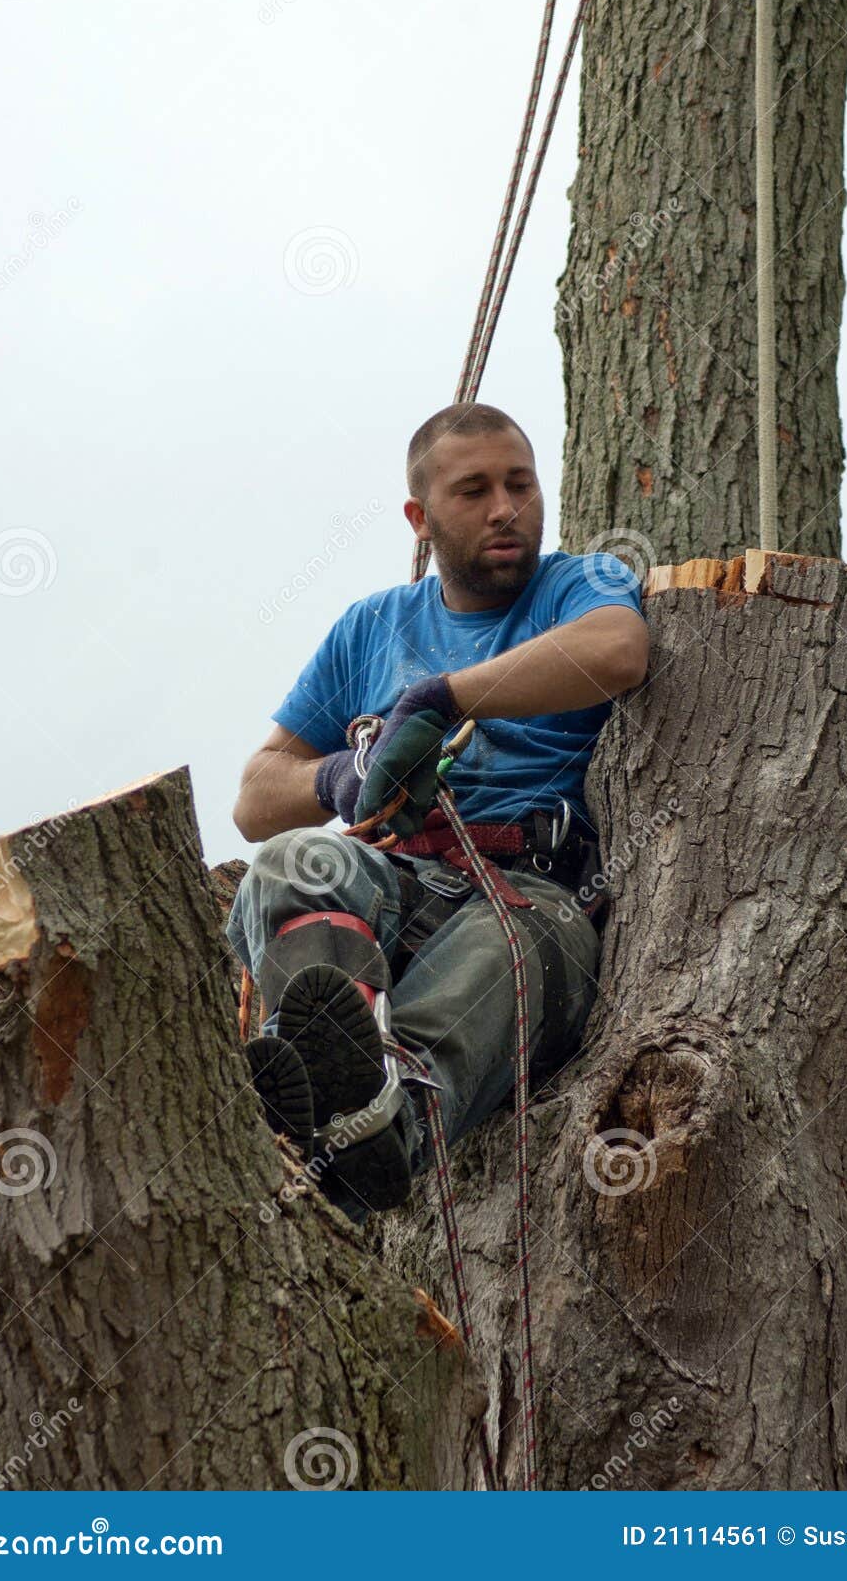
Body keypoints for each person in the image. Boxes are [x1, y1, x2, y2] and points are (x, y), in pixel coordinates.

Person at [225, 402, 650, 1224]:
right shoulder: (372, 627)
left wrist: (444, 696)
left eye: (520, 485)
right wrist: (342, 779)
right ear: (421, 519)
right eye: (474, 491)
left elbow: (617, 650)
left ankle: (395, 1121)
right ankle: (325, 1064)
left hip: (533, 898)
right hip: (401, 876)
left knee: (501, 948)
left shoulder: (579, 583)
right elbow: (253, 799)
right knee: (289, 865)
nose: (505, 509)